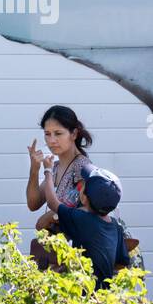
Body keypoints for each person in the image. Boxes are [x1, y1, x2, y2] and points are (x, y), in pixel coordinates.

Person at [24, 105, 142, 271]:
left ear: (74, 134)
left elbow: (80, 208)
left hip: (80, 259)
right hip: (62, 254)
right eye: (47, 134)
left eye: (58, 133)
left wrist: (51, 217)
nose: (51, 140)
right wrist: (35, 169)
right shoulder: (55, 167)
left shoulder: (82, 167)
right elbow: (33, 203)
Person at [34, 163, 129, 288]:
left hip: (83, 294)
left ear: (84, 198)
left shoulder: (81, 218)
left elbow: (52, 202)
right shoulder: (116, 227)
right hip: (104, 296)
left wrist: (48, 171)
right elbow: (121, 261)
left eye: (83, 185)